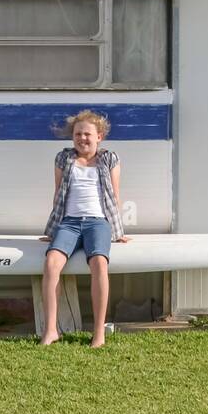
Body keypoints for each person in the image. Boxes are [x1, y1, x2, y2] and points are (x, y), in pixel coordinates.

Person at [39, 109, 129, 347]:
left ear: (99, 136)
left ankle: (98, 332)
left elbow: (115, 197)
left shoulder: (110, 159)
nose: (82, 138)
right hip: (69, 223)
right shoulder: (64, 159)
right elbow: (58, 195)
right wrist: (53, 231)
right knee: (51, 263)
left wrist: (117, 232)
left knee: (99, 262)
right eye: (78, 134)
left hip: (98, 222)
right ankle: (51, 330)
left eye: (87, 134)